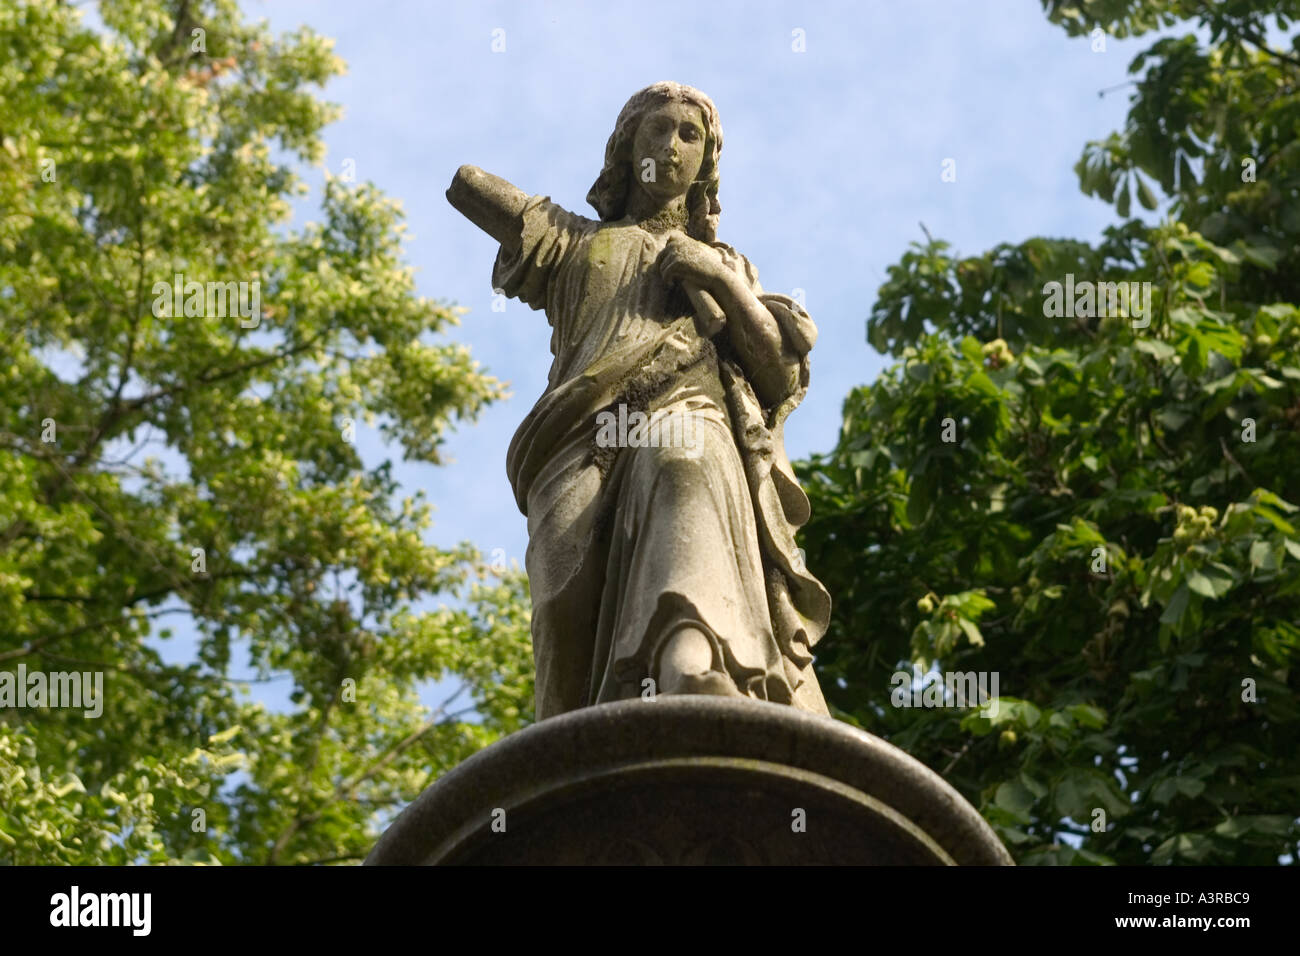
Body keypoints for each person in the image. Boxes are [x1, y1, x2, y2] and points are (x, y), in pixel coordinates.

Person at [447, 81, 830, 719]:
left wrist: (717, 278)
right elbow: (470, 188)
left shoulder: (726, 264)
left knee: (684, 471)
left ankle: (695, 665)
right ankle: (573, 757)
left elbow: (780, 375)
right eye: (658, 128)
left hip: (688, 406)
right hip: (577, 439)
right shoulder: (576, 243)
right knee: (565, 609)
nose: (672, 146)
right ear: (627, 145)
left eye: (690, 135)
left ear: (705, 164)